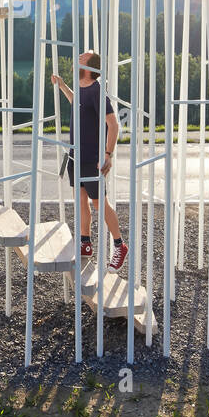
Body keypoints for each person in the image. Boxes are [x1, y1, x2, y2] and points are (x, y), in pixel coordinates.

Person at [52, 51, 128, 269]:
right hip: (75, 156)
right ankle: (85, 244)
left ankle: (119, 245)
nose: (76, 59)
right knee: (81, 201)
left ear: (89, 68)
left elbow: (113, 124)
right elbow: (76, 101)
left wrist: (107, 155)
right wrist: (63, 86)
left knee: (99, 204)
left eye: (81, 59)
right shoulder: (82, 92)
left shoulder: (97, 92)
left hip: (93, 159)